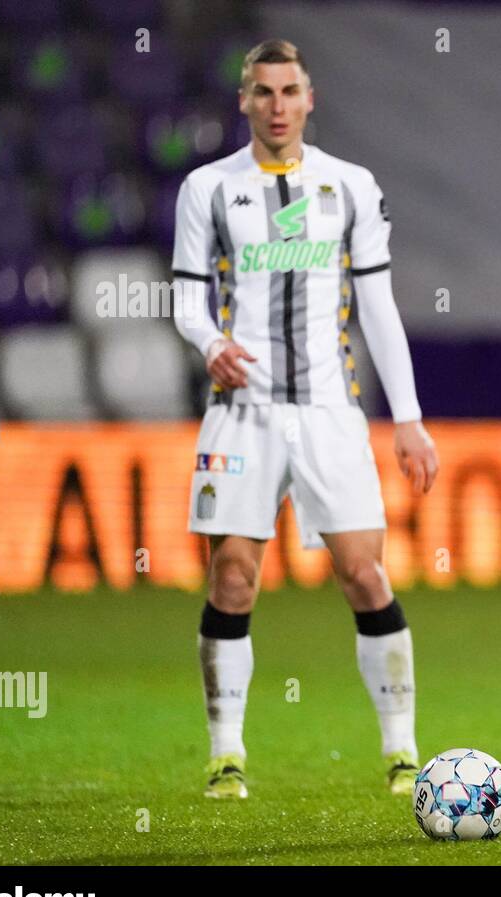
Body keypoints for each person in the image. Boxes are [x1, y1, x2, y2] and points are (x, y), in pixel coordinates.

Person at [170, 39, 438, 799]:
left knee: (363, 571)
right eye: (263, 92)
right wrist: (210, 340)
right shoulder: (208, 189)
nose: (278, 106)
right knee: (232, 578)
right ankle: (226, 754)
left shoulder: (350, 187)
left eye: (290, 91)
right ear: (245, 101)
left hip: (330, 410)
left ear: (310, 99)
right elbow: (187, 295)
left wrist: (409, 419)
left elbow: (378, 308)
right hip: (241, 410)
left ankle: (401, 750)